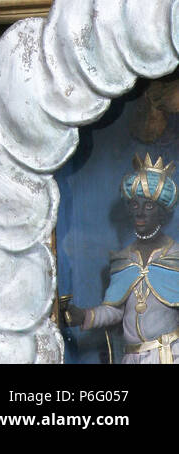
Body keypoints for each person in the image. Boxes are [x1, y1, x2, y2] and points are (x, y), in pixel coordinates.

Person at [64, 154, 179, 363]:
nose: (140, 213)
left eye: (149, 206)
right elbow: (115, 312)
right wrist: (84, 316)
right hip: (131, 357)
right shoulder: (123, 260)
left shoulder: (176, 258)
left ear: (163, 213)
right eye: (135, 205)